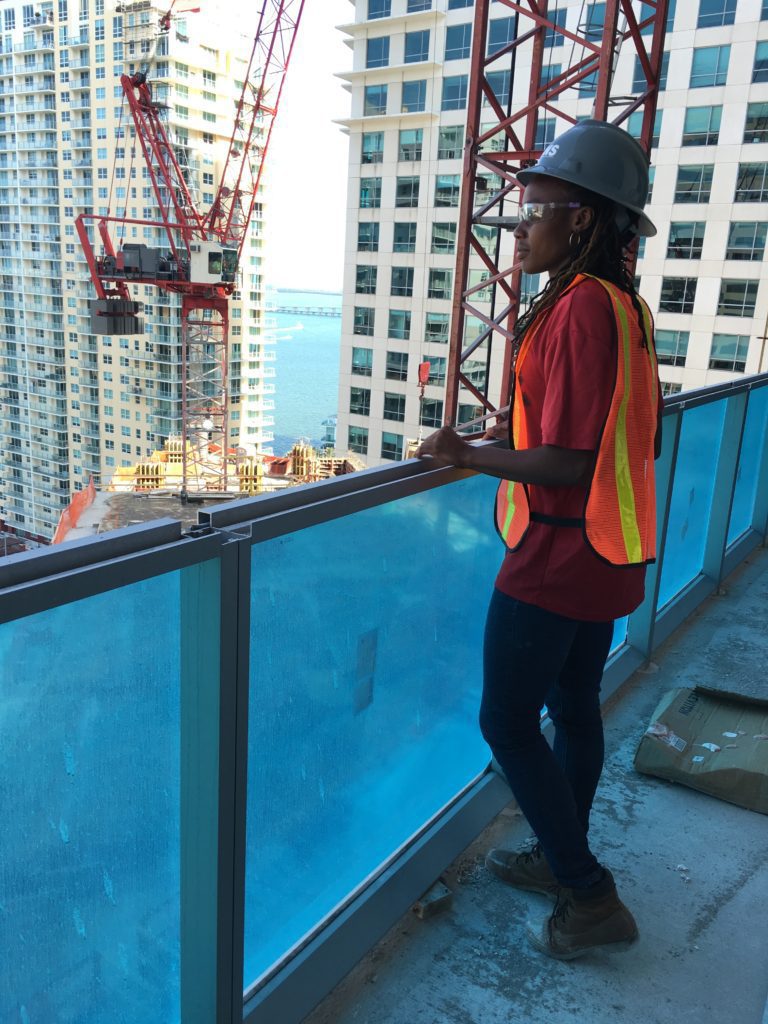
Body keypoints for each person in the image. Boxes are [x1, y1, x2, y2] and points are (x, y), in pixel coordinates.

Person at [416, 120, 662, 960]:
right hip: (607, 552)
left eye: (534, 211)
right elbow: (600, 427)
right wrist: (510, 428)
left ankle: (588, 894)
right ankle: (563, 860)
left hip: (558, 554)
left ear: (582, 219)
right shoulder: (624, 305)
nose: (518, 229)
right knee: (574, 709)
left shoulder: (579, 307)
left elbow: (568, 460)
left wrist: (466, 452)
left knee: (507, 721)